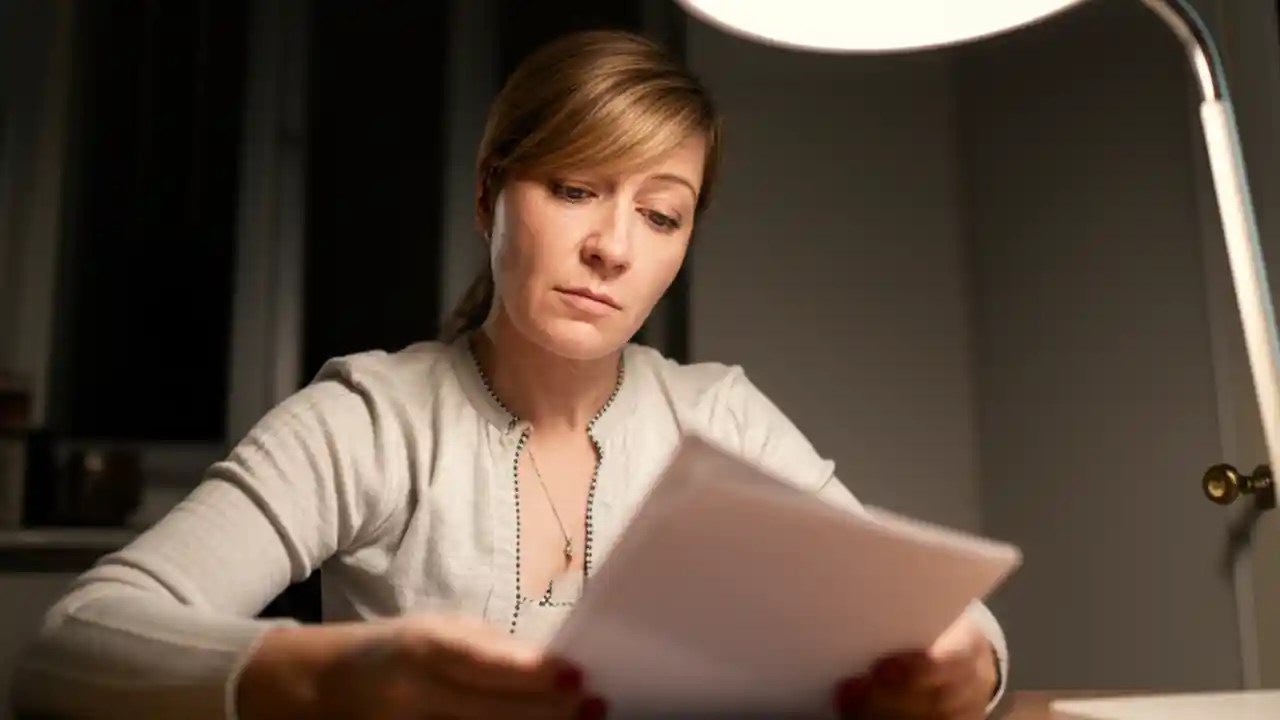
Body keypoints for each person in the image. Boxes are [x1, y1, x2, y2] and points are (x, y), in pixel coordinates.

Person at [13, 29, 1007, 720]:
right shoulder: (371, 419)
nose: (613, 246)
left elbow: (945, 618)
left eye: (660, 214)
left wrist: (963, 667)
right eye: (574, 189)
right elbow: (70, 643)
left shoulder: (721, 415)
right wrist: (335, 677)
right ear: (490, 195)